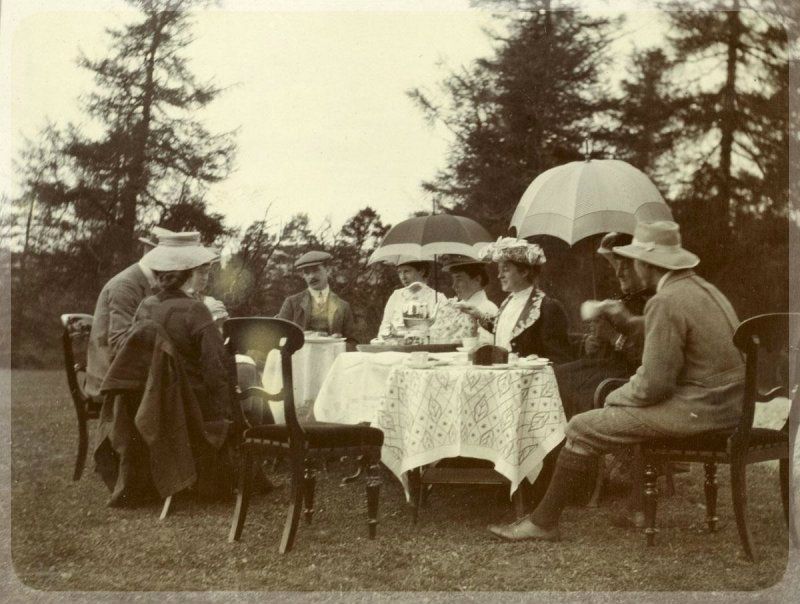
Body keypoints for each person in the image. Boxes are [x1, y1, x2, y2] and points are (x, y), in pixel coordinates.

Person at [487, 221, 745, 542]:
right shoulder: (701, 289)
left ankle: (543, 522)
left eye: (634, 259)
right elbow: (666, 330)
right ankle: (629, 506)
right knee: (605, 411)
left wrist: (615, 399)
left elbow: (654, 386)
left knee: (581, 426)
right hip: (729, 406)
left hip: (699, 410)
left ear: (646, 264)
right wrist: (626, 320)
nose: (630, 266)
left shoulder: (665, 301)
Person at [132, 232, 237, 423]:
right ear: (189, 272)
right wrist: (225, 415)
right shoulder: (195, 310)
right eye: (200, 271)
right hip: (191, 407)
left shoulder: (146, 306)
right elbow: (216, 367)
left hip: (151, 405)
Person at [554, 232, 650, 419]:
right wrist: (593, 343)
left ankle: (575, 440)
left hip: (627, 377)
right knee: (553, 376)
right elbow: (602, 345)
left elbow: (647, 359)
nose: (618, 273)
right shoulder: (624, 301)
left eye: (625, 266)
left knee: (564, 383)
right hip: (605, 368)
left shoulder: (652, 304)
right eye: (615, 265)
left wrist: (613, 337)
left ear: (640, 266)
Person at [85, 226, 174, 398]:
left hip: (128, 374)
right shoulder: (125, 286)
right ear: (150, 253)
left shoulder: (151, 283)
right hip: (110, 381)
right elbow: (119, 343)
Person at [459, 237, 572, 363]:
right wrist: (478, 314)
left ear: (524, 272)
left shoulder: (547, 307)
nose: (499, 275)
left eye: (505, 270)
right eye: (499, 270)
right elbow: (505, 330)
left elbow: (560, 358)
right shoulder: (509, 301)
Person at [276, 250, 357, 345]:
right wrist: (300, 335)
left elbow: (353, 341)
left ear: (328, 270)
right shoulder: (292, 302)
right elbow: (278, 335)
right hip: (301, 356)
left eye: (316, 270)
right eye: (307, 273)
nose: (311, 276)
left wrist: (340, 343)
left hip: (331, 356)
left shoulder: (343, 306)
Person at [429, 259, 497, 344]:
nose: (454, 286)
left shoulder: (488, 309)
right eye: (453, 280)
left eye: (459, 279)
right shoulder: (455, 308)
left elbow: (488, 346)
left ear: (477, 279)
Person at [377, 260, 447, 338]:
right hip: (398, 346)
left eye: (406, 271)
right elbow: (384, 327)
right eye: (399, 272)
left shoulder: (438, 298)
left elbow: (444, 331)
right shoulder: (396, 296)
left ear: (422, 271)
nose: (402, 277)